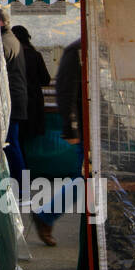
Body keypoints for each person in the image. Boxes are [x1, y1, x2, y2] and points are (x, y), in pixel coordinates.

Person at [31, 38, 84, 247]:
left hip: (95, 128)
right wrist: (71, 127)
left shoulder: (91, 49)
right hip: (85, 128)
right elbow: (66, 92)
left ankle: (46, 216)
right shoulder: (76, 51)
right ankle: (45, 215)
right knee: (85, 180)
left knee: (85, 180)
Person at [0, 7, 29, 187]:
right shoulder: (12, 39)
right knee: (12, 144)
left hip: (11, 100)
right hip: (16, 98)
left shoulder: (4, 42)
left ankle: (22, 188)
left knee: (10, 145)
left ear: (0, 22)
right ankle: (21, 187)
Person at [11, 25, 52, 142]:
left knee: (17, 139)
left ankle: (20, 161)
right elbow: (46, 79)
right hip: (34, 103)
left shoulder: (12, 56)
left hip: (17, 103)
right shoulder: (35, 55)